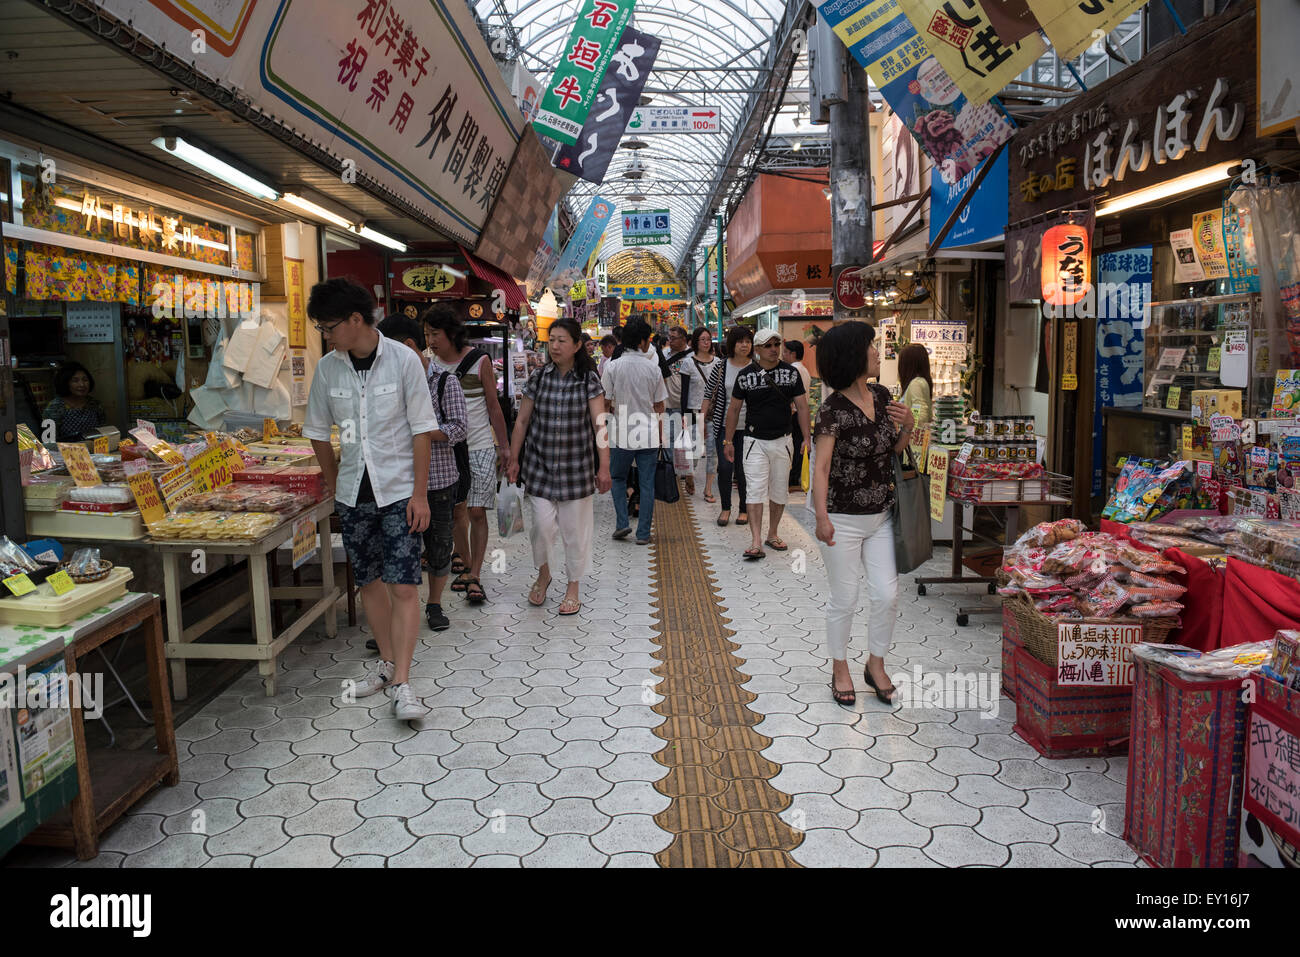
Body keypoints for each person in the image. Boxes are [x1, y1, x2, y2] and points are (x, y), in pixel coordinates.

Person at [304, 279, 435, 722]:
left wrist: (421, 495)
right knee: (370, 582)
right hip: (352, 495)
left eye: (329, 325)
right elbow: (318, 430)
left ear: (356, 320)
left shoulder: (404, 362)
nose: (326, 334)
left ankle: (402, 681)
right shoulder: (327, 369)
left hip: (399, 491)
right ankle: (384, 663)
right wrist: (333, 481)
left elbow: (422, 430)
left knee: (403, 584)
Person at [811, 321, 916, 707]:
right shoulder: (831, 411)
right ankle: (840, 667)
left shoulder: (882, 394)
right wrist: (821, 518)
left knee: (886, 595)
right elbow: (820, 469)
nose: (877, 352)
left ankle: (875, 664)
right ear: (853, 356)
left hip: (881, 515)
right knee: (845, 597)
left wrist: (909, 426)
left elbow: (893, 450)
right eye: (871, 347)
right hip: (842, 518)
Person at [507, 317, 612, 616]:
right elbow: (523, 421)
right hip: (539, 467)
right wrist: (514, 459)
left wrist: (604, 467)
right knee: (540, 527)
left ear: (577, 345)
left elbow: (599, 425)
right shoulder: (538, 378)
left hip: (576, 470)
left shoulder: (588, 380)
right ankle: (544, 574)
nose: (554, 345)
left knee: (574, 533)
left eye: (562, 340)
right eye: (551, 339)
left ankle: (573, 587)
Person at [378, 314, 467, 633]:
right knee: (400, 549)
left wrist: (424, 431)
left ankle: (434, 604)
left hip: (439, 481)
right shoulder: (388, 382)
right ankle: (400, 614)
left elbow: (459, 428)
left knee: (440, 545)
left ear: (409, 346)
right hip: (399, 483)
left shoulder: (445, 381)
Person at [424, 305, 512, 606]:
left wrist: (505, 447)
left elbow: (493, 406)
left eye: (435, 334)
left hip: (480, 445)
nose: (431, 340)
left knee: (476, 511)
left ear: (450, 333)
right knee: (456, 512)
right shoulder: (428, 364)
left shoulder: (479, 360)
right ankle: (465, 563)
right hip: (446, 449)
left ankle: (474, 573)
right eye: (427, 334)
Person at [725, 328, 810, 560]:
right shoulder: (745, 375)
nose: (774, 349)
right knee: (754, 490)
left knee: (780, 490)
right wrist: (728, 440)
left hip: (783, 439)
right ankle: (755, 540)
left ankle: (772, 533)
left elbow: (802, 407)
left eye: (777, 344)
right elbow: (733, 409)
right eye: (769, 345)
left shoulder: (791, 373)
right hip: (754, 441)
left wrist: (807, 437)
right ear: (758, 349)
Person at [601, 317, 666, 545]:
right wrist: (661, 435)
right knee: (647, 483)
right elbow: (660, 406)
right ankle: (643, 534)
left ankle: (622, 523)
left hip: (621, 432)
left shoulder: (612, 367)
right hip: (648, 432)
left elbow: (605, 403)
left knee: (618, 478)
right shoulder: (653, 368)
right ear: (642, 341)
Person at [701, 326, 754, 527]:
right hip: (723, 425)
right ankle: (725, 508)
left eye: (748, 341)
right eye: (740, 341)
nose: (744, 345)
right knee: (724, 467)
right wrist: (701, 419)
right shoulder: (722, 366)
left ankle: (743, 509)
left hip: (750, 427)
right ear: (732, 344)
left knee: (743, 470)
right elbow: (708, 394)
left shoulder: (757, 367)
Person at [688, 328, 721, 504]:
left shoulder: (718, 363)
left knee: (712, 452)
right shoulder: (688, 363)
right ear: (696, 342)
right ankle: (689, 476)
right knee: (692, 451)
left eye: (708, 339)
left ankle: (708, 489)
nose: (706, 342)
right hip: (693, 411)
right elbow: (685, 392)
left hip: (713, 413)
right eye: (702, 339)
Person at [43, 362, 106, 441]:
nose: (82, 384)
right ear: (65, 383)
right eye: (75, 381)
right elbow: (49, 442)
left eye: (85, 380)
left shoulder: (95, 404)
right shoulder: (54, 407)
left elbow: (104, 433)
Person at [783, 339, 812, 492]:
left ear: (793, 354)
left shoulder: (794, 370)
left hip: (795, 413)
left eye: (785, 352)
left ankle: (793, 479)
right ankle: (795, 478)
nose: (783, 354)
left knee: (795, 447)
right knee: (797, 445)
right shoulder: (803, 369)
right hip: (799, 413)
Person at [897, 342, 934, 436]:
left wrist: (907, 429)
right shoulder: (921, 381)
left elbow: (921, 414)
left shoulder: (915, 383)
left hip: (912, 440)